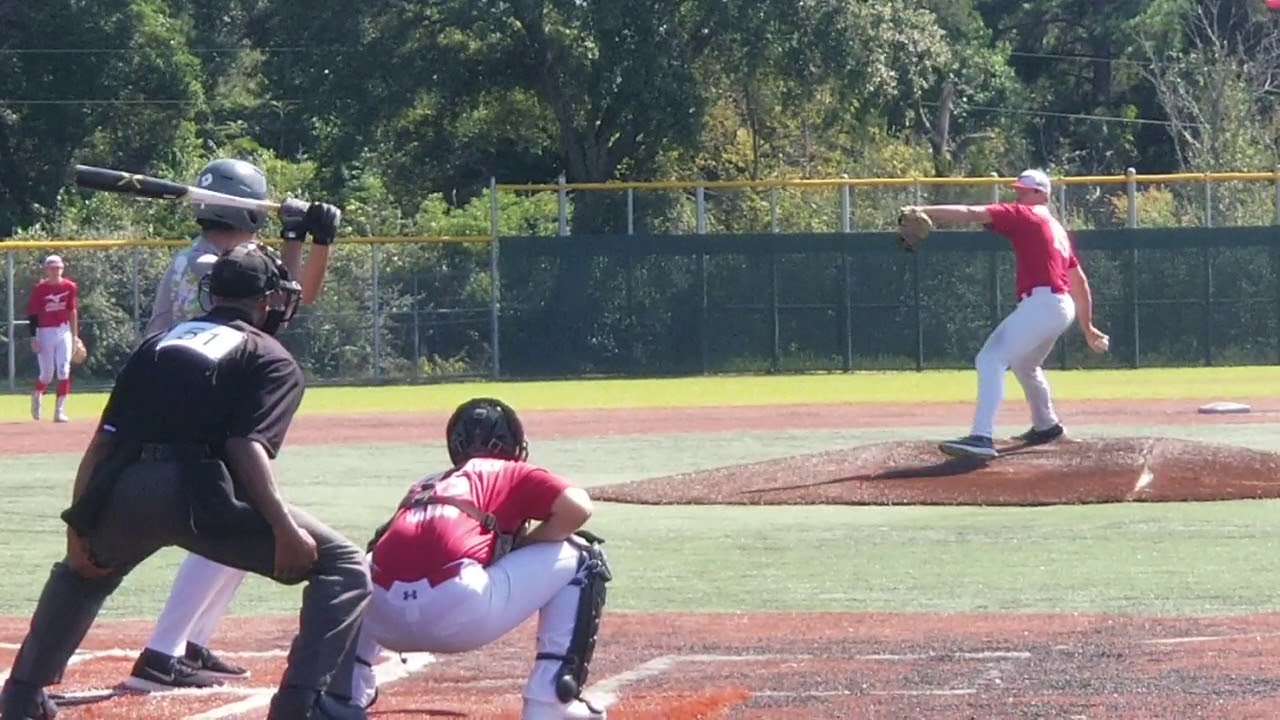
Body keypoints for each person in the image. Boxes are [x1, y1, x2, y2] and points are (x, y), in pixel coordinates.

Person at [0, 243, 370, 720]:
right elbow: (243, 449)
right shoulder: (270, 355)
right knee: (342, 567)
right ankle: (300, 705)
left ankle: (23, 694)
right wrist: (283, 529)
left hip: (127, 489)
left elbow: (103, 444)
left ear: (210, 293)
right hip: (205, 497)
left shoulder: (159, 343)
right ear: (266, 300)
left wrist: (79, 529)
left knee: (81, 574)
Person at [126, 157, 342, 692]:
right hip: (189, 410)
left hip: (196, 400)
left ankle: (190, 642)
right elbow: (280, 307)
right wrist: (305, 239)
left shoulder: (220, 258)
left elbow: (286, 293)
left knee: (247, 516)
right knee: (233, 521)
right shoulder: (207, 267)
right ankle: (161, 653)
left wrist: (306, 237)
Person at [326, 398, 612, 720]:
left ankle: (348, 692)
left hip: (383, 620)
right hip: (458, 610)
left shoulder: (426, 484)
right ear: (512, 445)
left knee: (369, 567)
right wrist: (526, 545)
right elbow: (578, 507)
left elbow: (379, 544)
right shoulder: (508, 471)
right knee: (586, 557)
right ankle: (552, 700)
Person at [900, 168, 1109, 459]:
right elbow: (1079, 281)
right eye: (1017, 189)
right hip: (1058, 306)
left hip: (1044, 303)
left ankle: (981, 437)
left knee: (989, 358)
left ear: (1041, 194)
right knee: (1026, 365)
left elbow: (972, 212)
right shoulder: (1056, 228)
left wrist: (923, 210)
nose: (1018, 193)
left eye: (1024, 189)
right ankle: (1047, 425)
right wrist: (1087, 326)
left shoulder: (1026, 215)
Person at [26, 255, 79, 423]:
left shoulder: (69, 286)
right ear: (46, 270)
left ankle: (59, 411)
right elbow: (33, 314)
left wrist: (75, 335)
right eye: (52, 268)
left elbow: (72, 311)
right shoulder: (40, 289)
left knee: (64, 370)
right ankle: (37, 394)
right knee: (47, 375)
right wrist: (33, 337)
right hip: (44, 332)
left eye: (58, 268)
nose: (56, 271)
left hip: (63, 331)